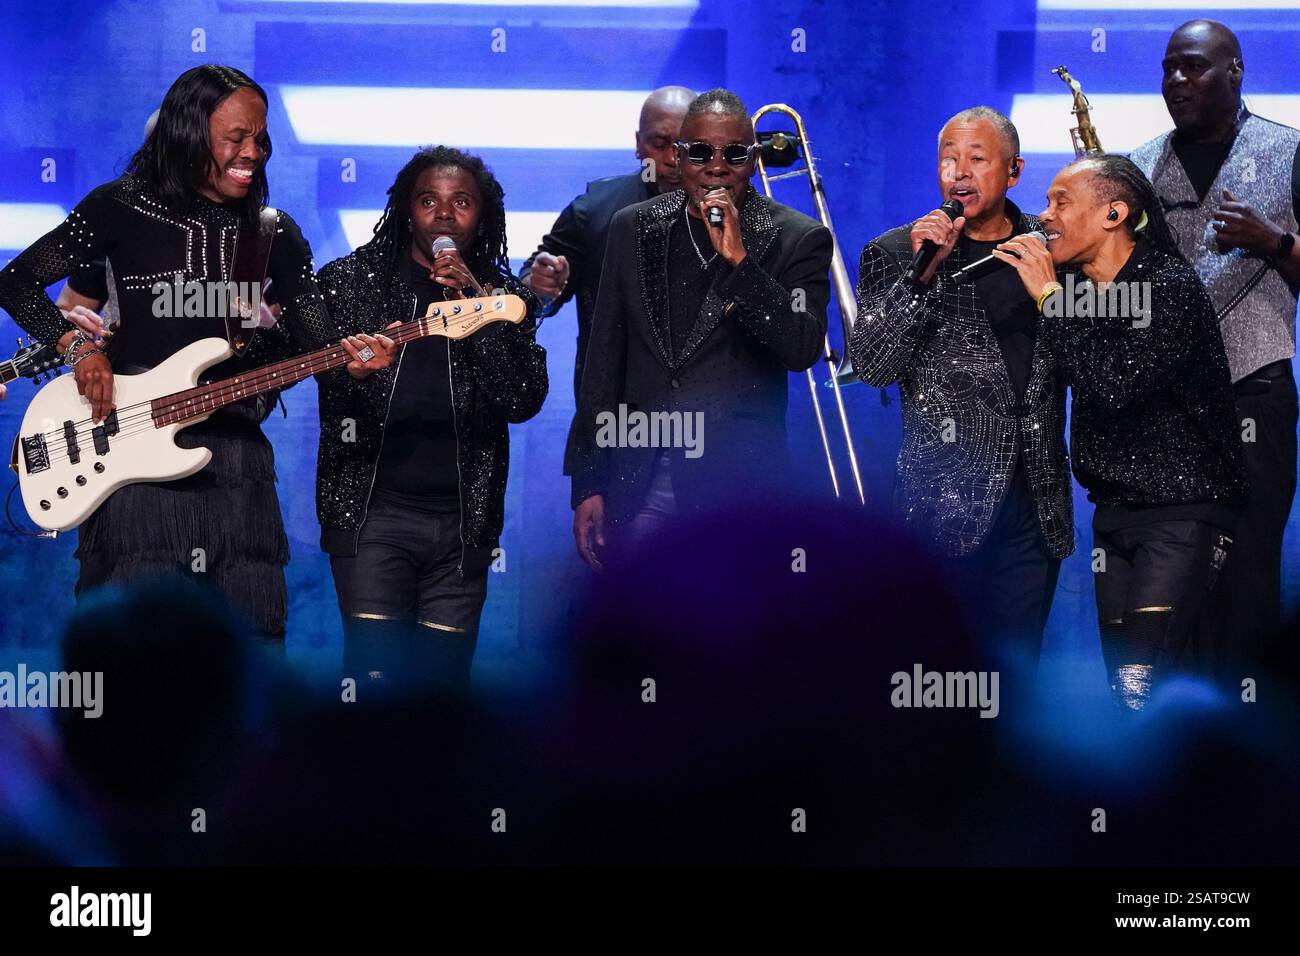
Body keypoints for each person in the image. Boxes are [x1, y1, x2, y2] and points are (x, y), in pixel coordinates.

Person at [0, 64, 391, 642]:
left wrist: (356, 367)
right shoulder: (121, 206)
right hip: (132, 458)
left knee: (249, 650)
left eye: (260, 139)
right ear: (188, 130)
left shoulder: (271, 233)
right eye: (236, 138)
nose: (252, 151)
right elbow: (14, 281)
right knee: (132, 653)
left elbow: (320, 351)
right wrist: (79, 345)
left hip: (236, 467)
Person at [993, 154, 1246, 711]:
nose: (1044, 215)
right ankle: (1155, 790)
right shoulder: (1078, 293)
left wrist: (1047, 298)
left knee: (1142, 684)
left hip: (1182, 512)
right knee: (1126, 690)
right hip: (1115, 515)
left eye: (1061, 202)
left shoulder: (1167, 287)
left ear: (1114, 212)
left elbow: (1111, 383)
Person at [316, 146, 547, 690]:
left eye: (461, 202)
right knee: (374, 684)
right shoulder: (350, 282)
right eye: (428, 201)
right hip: (374, 516)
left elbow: (522, 399)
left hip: (463, 525)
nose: (444, 214)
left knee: (440, 700)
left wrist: (474, 301)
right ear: (405, 210)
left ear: (482, 216)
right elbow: (318, 376)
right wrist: (353, 373)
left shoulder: (504, 297)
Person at [850, 106, 1073, 671]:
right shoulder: (898, 253)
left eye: (976, 159)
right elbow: (873, 365)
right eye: (948, 160)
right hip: (940, 507)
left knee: (1017, 679)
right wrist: (922, 275)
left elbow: (1090, 354)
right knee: (939, 677)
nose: (959, 173)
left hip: (1034, 504)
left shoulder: (1054, 253)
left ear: (1014, 170)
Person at [570, 88, 832, 568]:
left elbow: (802, 349)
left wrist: (740, 263)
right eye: (700, 152)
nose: (716, 166)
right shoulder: (632, 227)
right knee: (643, 635)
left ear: (752, 160)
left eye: (733, 153)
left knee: (730, 636)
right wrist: (589, 480)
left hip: (738, 486)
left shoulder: (799, 238)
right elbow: (603, 359)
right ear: (679, 156)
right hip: (639, 472)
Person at [1129, 19, 1300, 685]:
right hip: (1161, 404)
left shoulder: (1288, 152)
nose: (1178, 81)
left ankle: (1249, 739)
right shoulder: (1138, 165)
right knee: (1166, 579)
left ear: (1235, 71)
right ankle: (1169, 745)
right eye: (1170, 69)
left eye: (1194, 67)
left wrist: (1274, 242)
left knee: (1249, 569)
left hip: (1252, 390)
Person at [521, 85, 694, 475]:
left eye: (685, 145)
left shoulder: (742, 211)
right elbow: (531, 292)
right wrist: (541, 287)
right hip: (620, 436)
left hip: (718, 443)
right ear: (638, 144)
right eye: (659, 143)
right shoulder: (594, 211)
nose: (672, 159)